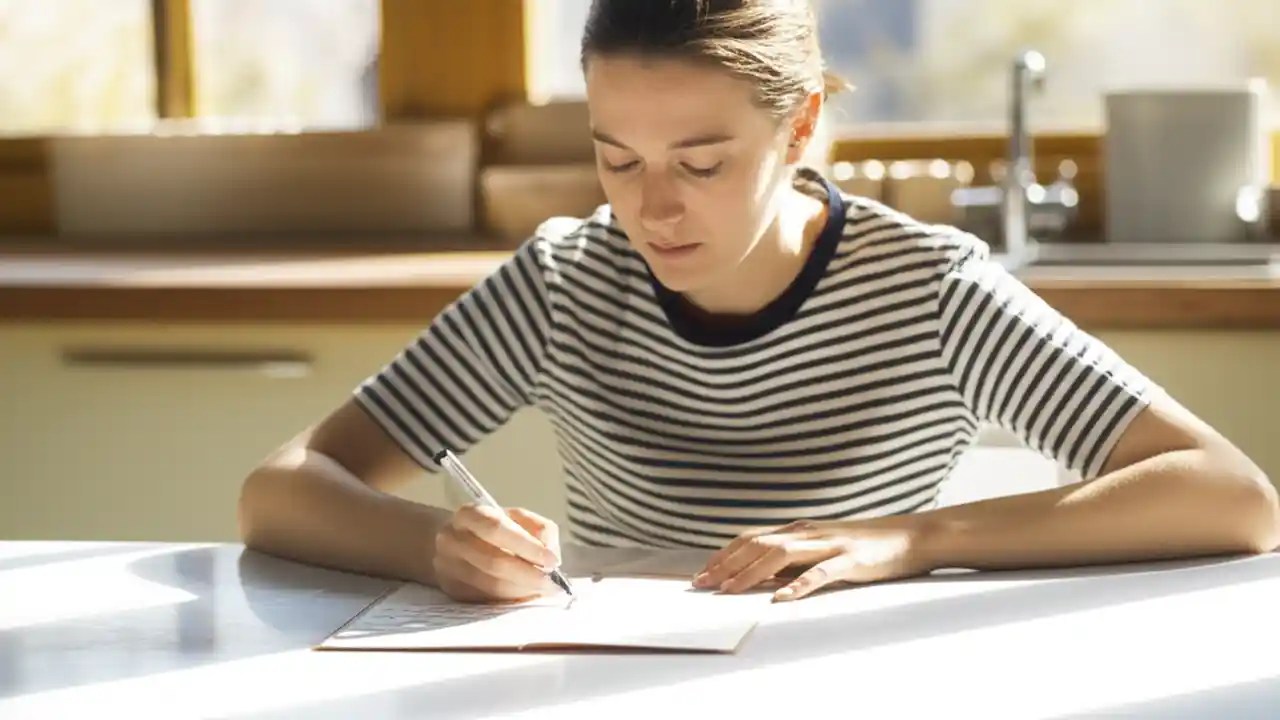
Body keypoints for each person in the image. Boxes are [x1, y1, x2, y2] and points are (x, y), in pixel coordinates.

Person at [238, 0, 1278, 604]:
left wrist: (910, 539)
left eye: (700, 162)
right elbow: (281, 488)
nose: (652, 208)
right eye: (616, 157)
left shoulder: (925, 289)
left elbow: (1230, 497)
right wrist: (432, 546)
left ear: (799, 126)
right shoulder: (564, 282)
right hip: (614, 691)